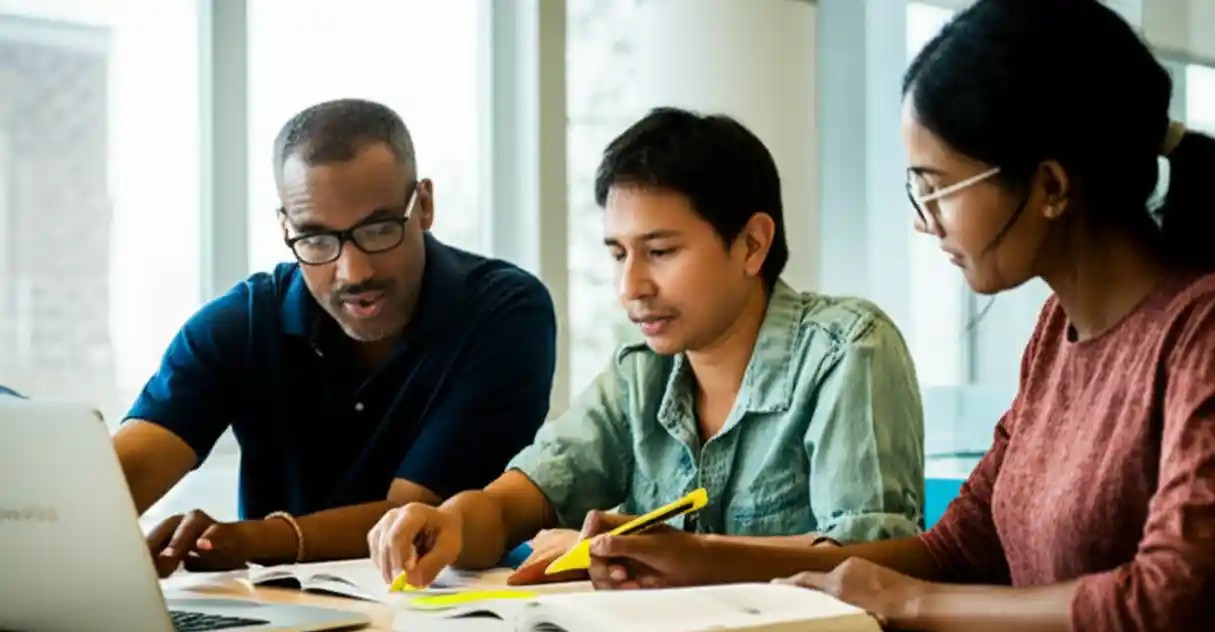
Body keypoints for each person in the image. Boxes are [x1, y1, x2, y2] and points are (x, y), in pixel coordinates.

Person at [572, 0, 1215, 632]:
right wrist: (702, 558)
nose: (923, 218)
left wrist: (914, 604)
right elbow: (952, 549)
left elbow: (1176, 602)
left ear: (1051, 187)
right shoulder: (1056, 335)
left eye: (935, 186)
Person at [368, 107, 925, 588]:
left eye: (659, 252)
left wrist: (685, 557)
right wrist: (451, 523)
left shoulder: (846, 350)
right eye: (617, 255)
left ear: (753, 244)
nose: (631, 287)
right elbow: (517, 501)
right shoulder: (640, 375)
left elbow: (872, 561)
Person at [118, 99, 556, 578]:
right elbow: (122, 479)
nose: (354, 271)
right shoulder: (244, 322)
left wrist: (252, 539)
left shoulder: (505, 311)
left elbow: (413, 523)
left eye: (378, 229)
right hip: (281, 616)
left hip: (448, 608)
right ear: (285, 227)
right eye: (316, 239)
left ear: (424, 205)